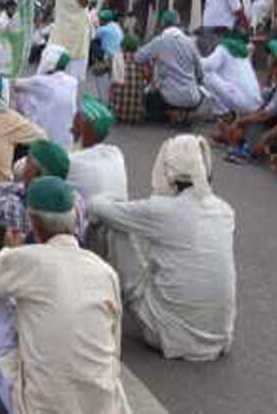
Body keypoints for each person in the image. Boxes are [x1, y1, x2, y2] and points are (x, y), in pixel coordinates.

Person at [0, 175, 131, 414]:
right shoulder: (105, 271)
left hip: (39, 408)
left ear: (34, 222)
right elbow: (114, 347)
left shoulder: (27, 259)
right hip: (102, 407)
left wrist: (8, 253)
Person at [89, 135, 235, 362]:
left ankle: (90, 294)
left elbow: (97, 206)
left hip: (168, 335)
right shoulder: (225, 211)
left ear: (169, 169)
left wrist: (116, 198)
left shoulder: (163, 209)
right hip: (219, 337)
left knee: (114, 227)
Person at [135, 11, 205, 123]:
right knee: (201, 92)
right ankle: (183, 113)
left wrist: (151, 62)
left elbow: (137, 57)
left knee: (149, 98)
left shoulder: (159, 41)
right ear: (178, 25)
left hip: (169, 97)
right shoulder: (190, 42)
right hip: (193, 98)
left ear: (163, 25)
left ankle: (170, 113)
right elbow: (200, 74)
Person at [10, 50, 79, 146]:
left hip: (45, 139)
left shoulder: (42, 82)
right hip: (66, 140)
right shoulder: (72, 82)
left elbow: (13, 83)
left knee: (20, 93)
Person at [68, 98, 128, 203]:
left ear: (84, 129)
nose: (71, 129)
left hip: (93, 218)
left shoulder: (73, 162)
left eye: (75, 126)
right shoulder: (116, 153)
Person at [201, 36, 261, 117]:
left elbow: (208, 65)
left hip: (242, 103)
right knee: (220, 73)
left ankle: (221, 111)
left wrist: (196, 57)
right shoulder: (243, 52)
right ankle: (225, 109)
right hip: (256, 102)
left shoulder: (223, 48)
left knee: (206, 74)